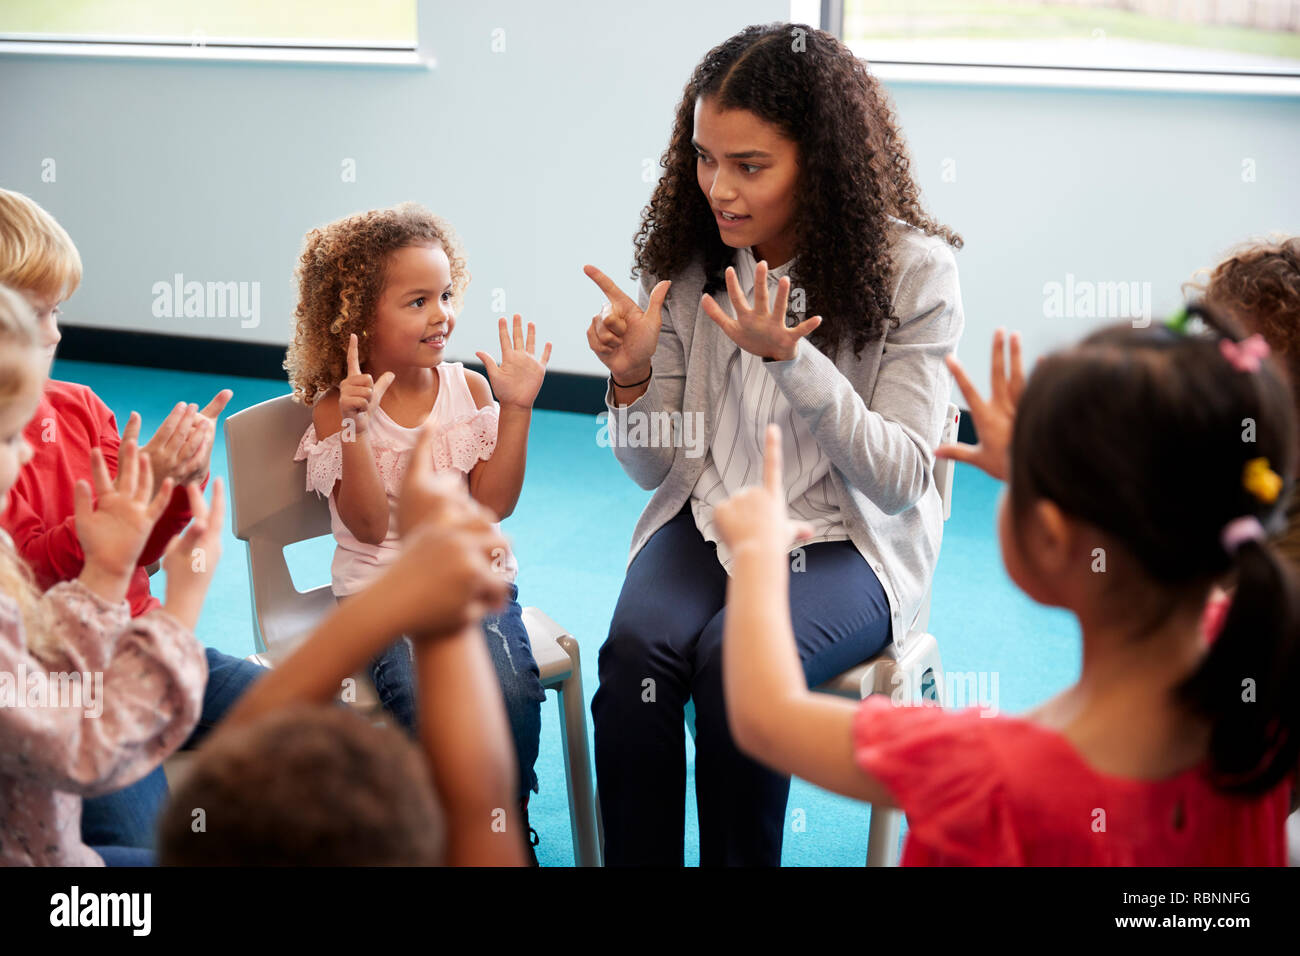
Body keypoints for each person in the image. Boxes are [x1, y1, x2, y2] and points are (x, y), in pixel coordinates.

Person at [717, 310, 1299, 864]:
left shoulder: (978, 775)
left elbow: (766, 718)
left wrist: (761, 552)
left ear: (1049, 535)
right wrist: (1048, 476)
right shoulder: (1265, 683)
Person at [585, 22, 964, 865]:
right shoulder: (693, 259)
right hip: (709, 510)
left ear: (821, 166)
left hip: (845, 539)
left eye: (749, 165)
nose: (718, 188)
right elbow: (654, 467)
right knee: (634, 657)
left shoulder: (915, 273)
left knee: (735, 662)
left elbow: (902, 479)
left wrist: (792, 358)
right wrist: (635, 379)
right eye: (704, 157)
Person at [285, 202, 550, 859]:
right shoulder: (334, 408)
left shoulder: (469, 390)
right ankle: (443, 832)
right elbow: (370, 528)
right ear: (355, 321)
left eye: (447, 294)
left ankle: (502, 825)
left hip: (464, 580)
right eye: (416, 302)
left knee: (514, 688)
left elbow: (492, 506)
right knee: (426, 704)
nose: (441, 315)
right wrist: (352, 428)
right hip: (380, 595)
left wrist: (515, 409)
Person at [0, 283, 218, 866]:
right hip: (83, 682)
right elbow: (39, 576)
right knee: (148, 848)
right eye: (35, 313)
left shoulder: (80, 406)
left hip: (128, 637)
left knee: (321, 722)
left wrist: (170, 487)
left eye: (57, 312)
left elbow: (138, 550)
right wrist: (184, 603)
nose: (55, 332)